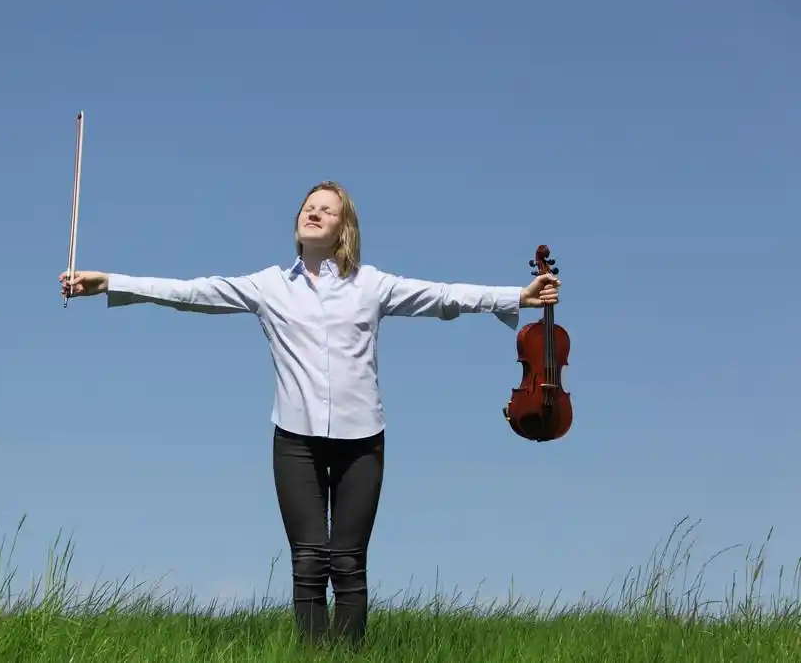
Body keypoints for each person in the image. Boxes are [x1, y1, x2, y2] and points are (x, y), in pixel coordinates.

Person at [58, 180, 561, 649]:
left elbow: (443, 296)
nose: (314, 213)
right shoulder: (269, 286)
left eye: (327, 210)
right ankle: (314, 656)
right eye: (308, 208)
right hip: (294, 438)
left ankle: (348, 655)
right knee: (308, 560)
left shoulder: (372, 285)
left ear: (344, 228)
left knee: (347, 562)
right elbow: (193, 293)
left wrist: (516, 295)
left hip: (363, 437)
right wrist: (109, 283)